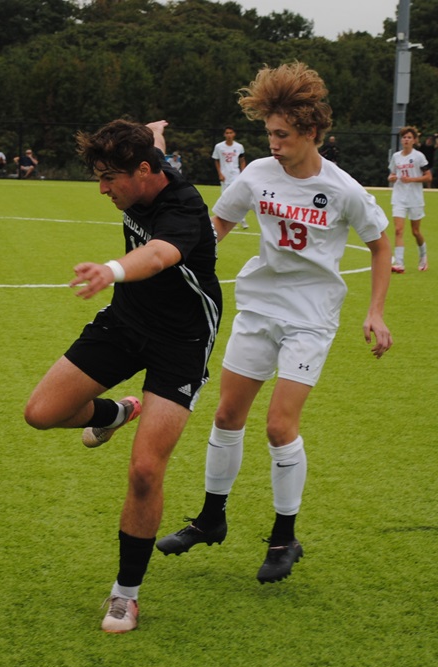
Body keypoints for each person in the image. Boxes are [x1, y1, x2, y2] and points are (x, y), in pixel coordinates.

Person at [156, 62, 393, 585]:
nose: (274, 143)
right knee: (225, 416)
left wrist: (374, 311)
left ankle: (285, 537)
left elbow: (380, 243)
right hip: (259, 307)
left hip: (311, 317)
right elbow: (218, 222)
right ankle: (211, 519)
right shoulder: (258, 173)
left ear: (312, 133)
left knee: (279, 425)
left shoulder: (343, 188)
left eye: (283, 135)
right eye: (269, 133)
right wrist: (186, 263)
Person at [23, 119, 222, 633]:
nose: (103, 189)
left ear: (143, 171)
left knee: (144, 470)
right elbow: (152, 146)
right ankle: (116, 412)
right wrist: (154, 129)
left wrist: (110, 269)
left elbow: (157, 255)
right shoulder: (147, 162)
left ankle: (125, 594)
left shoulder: (185, 208)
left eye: (109, 177)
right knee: (41, 413)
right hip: (127, 320)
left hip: (182, 341)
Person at [388, 126, 432, 273]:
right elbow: (392, 174)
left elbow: (428, 177)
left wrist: (412, 179)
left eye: (409, 138)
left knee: (415, 231)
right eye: (404, 137)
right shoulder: (396, 157)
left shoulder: (419, 156)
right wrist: (392, 178)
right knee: (399, 230)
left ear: (414, 140)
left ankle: (423, 256)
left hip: (415, 199)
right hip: (399, 197)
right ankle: (399, 264)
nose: (406, 140)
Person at [212, 126, 248, 228]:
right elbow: (216, 160)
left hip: (236, 175)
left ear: (234, 134)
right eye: (227, 133)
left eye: (230, 133)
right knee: (225, 197)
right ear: (224, 135)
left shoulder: (239, 146)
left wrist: (243, 173)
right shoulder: (219, 146)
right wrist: (220, 173)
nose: (229, 135)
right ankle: (229, 220)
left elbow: (242, 160)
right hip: (225, 175)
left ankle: (242, 220)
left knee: (238, 196)